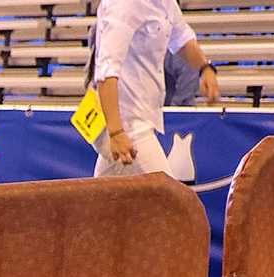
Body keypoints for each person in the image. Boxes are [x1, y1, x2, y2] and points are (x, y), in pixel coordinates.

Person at [91, 0, 218, 177]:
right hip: (128, 126)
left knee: (106, 200)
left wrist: (205, 68)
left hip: (142, 119)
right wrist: (116, 132)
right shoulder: (123, 4)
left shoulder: (166, 3)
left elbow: (181, 37)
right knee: (169, 199)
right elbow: (106, 71)